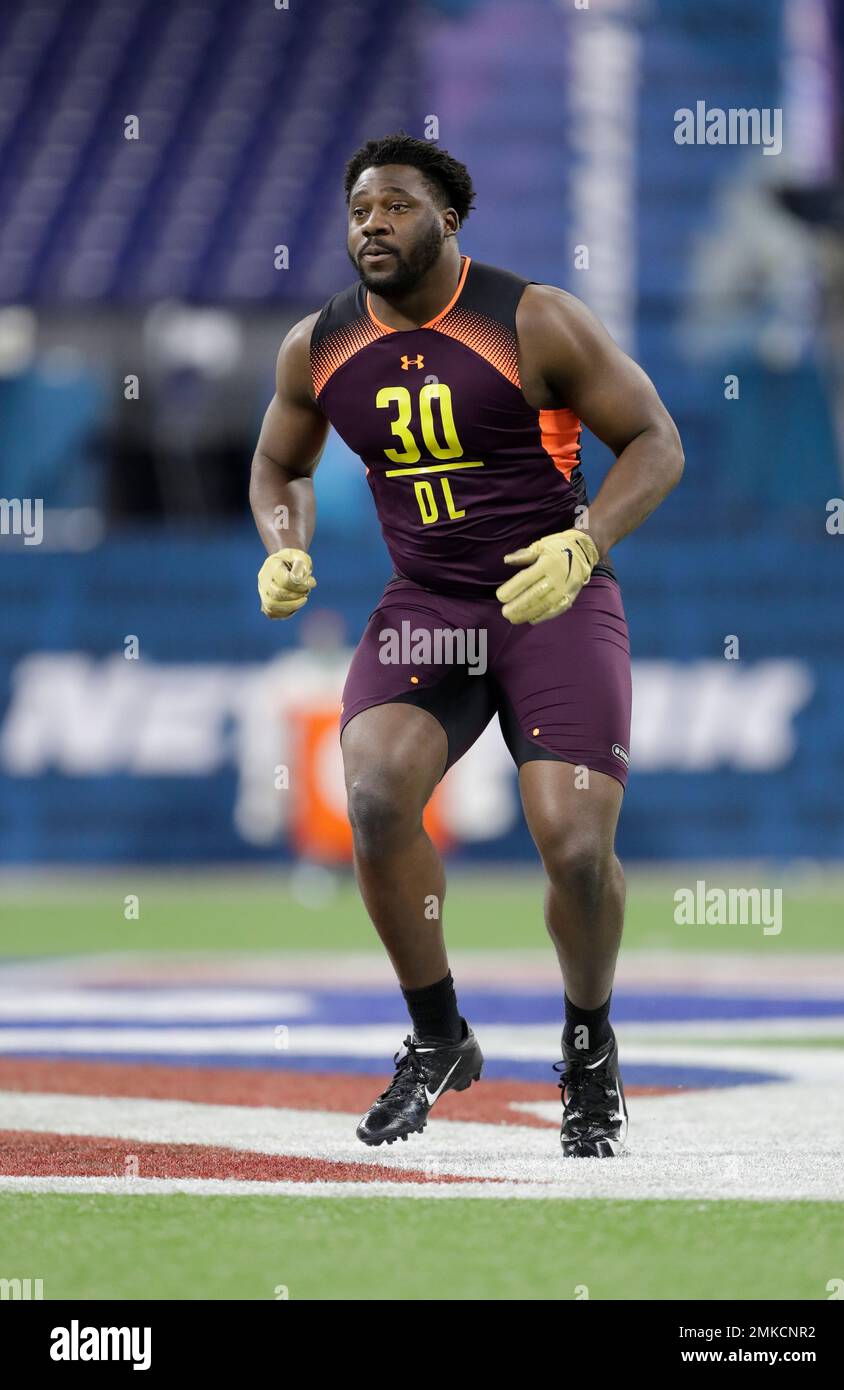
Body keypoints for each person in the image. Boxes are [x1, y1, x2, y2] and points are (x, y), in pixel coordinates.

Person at [249, 134, 684, 1157]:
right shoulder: (317, 343)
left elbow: (655, 440)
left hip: (550, 597)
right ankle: (437, 1034)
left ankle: (587, 1046)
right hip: (428, 603)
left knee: (574, 846)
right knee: (372, 793)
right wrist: (281, 545)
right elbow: (279, 461)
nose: (371, 225)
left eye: (394, 206)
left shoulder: (531, 317)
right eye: (359, 209)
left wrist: (586, 542)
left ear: (448, 220)